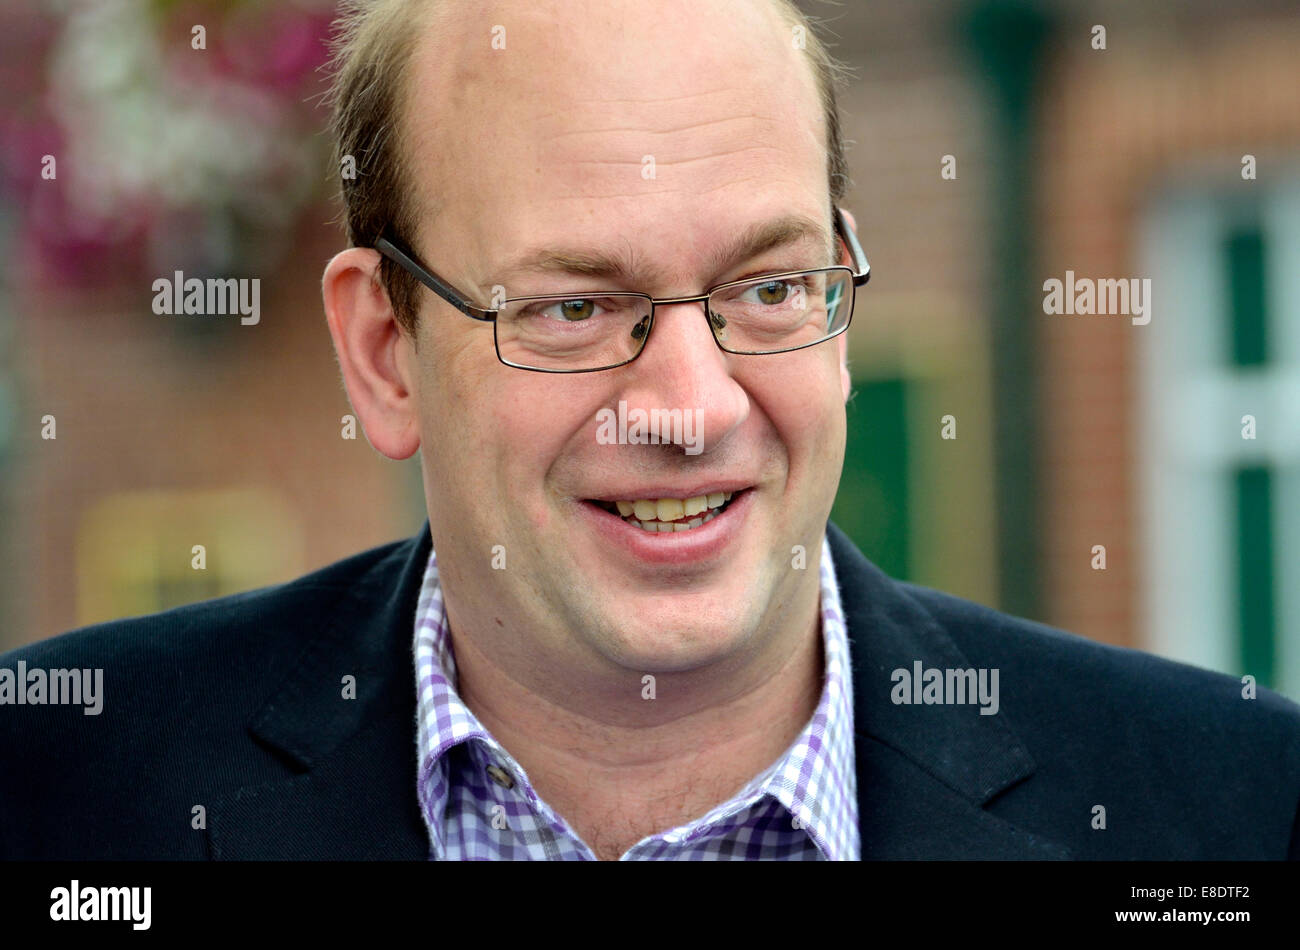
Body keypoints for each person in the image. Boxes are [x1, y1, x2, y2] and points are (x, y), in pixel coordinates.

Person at [2, 0, 1297, 861]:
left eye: (771, 287)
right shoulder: (57, 792)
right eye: (575, 305)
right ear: (383, 351)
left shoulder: (1232, 810)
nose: (690, 405)